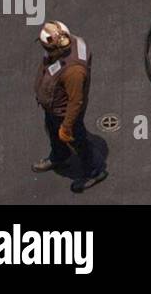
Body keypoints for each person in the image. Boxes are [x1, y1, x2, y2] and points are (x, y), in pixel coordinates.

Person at [32, 21, 108, 192]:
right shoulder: (63, 44)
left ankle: (95, 171)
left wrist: (66, 126)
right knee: (52, 129)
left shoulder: (73, 71)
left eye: (47, 48)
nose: (45, 51)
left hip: (65, 112)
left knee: (78, 140)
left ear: (58, 49)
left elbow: (75, 101)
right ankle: (60, 155)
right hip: (53, 108)